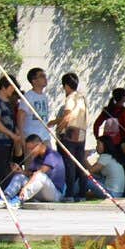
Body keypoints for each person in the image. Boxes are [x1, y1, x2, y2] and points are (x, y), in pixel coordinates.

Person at [0, 133, 67, 207]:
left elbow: (38, 174)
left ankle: (19, 200)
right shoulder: (37, 157)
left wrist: (26, 187)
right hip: (40, 191)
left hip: (55, 194)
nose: (30, 152)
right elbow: (30, 173)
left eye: (32, 149)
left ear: (39, 145)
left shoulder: (52, 155)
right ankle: (5, 198)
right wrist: (21, 171)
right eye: (29, 149)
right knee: (19, 176)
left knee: (41, 176)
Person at [52, 71, 89, 200]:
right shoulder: (81, 98)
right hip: (81, 133)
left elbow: (67, 116)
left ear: (66, 86)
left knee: (69, 164)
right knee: (80, 163)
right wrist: (54, 121)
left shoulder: (70, 98)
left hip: (70, 134)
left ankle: (70, 194)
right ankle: (82, 193)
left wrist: (58, 129)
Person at [0, 76, 20, 188]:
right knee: (0, 171)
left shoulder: (9, 102)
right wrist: (12, 135)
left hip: (9, 142)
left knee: (7, 169)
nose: (12, 91)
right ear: (4, 87)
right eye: (11, 88)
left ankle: (6, 192)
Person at [92, 87, 125, 158]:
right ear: (122, 97)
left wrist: (97, 137)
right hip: (121, 141)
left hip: (108, 142)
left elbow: (96, 124)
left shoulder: (107, 109)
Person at [19, 66, 53, 147]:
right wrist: (22, 136)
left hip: (45, 137)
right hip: (32, 137)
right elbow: (21, 116)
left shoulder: (44, 96)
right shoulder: (28, 96)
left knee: (50, 155)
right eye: (42, 76)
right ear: (33, 80)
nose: (45, 78)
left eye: (45, 76)